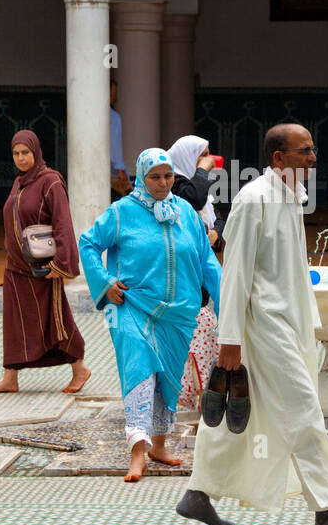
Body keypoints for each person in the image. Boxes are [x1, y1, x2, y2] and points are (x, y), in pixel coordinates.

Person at [178, 123, 328, 525]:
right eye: (304, 151)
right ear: (279, 158)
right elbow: (235, 274)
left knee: (247, 414)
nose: (313, 158)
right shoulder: (253, 200)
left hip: (288, 325)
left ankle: (198, 491)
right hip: (261, 328)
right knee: (303, 410)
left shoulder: (291, 197)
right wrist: (230, 343)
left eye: (313, 149)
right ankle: (325, 509)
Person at [80, 148, 222, 482]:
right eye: (154, 177)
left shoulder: (186, 212)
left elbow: (207, 262)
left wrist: (226, 302)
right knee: (140, 373)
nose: (162, 183)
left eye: (168, 176)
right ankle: (137, 453)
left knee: (168, 378)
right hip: (133, 306)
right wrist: (105, 283)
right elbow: (88, 243)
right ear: (142, 177)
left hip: (179, 312)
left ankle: (159, 445)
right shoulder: (122, 212)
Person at [0, 130, 91, 396]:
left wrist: (62, 263)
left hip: (43, 268)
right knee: (14, 321)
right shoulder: (20, 182)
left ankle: (79, 368)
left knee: (55, 317)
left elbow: (63, 222)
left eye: (25, 153)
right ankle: (10, 377)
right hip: (17, 267)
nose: (20, 158)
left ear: (36, 152)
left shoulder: (50, 181)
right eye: (16, 154)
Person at [167, 134, 225, 411]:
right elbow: (193, 199)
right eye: (203, 153)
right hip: (181, 274)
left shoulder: (189, 181)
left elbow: (214, 217)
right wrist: (202, 170)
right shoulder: (173, 181)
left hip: (202, 268)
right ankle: (189, 395)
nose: (209, 158)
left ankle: (201, 394)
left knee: (205, 331)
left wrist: (214, 233)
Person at [110, 79, 132, 200]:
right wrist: (120, 169)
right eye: (113, 94)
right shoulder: (113, 117)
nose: (115, 98)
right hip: (113, 175)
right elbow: (115, 146)